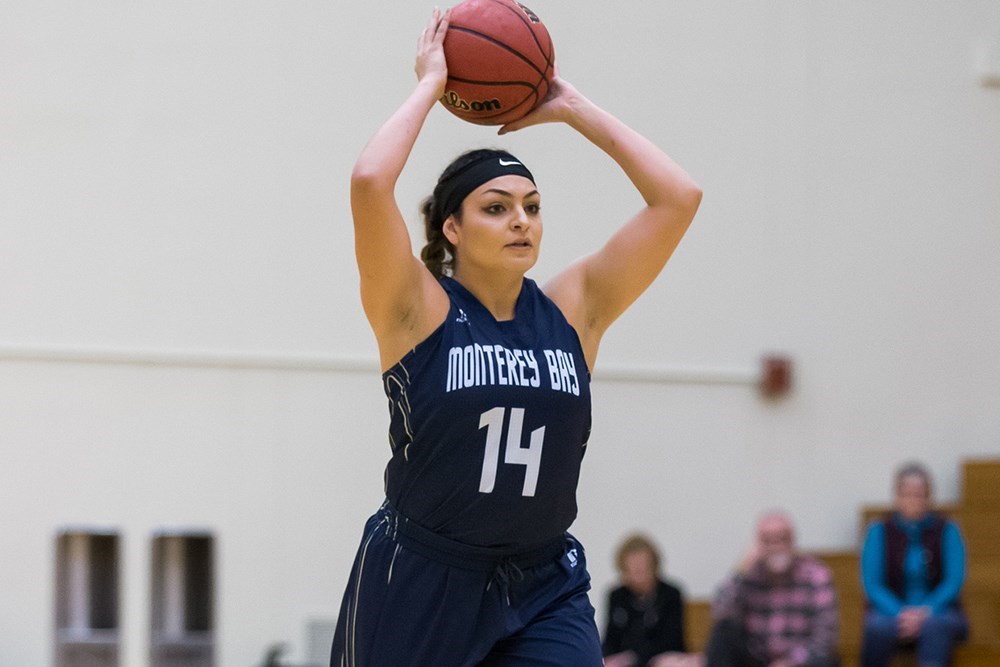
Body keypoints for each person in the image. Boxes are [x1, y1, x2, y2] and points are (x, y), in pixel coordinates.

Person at [329, 7, 702, 667]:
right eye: (496, 207)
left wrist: (571, 104)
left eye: (531, 206)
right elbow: (368, 183)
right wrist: (429, 85)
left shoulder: (574, 308)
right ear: (451, 227)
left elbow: (679, 196)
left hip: (542, 579)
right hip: (423, 575)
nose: (520, 220)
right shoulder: (416, 307)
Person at [860, 462, 968, 667]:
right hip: (890, 612)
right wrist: (901, 613)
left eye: (919, 494)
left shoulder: (948, 530)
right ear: (896, 497)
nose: (913, 500)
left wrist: (926, 612)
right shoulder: (878, 531)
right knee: (876, 627)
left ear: (929, 497)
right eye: (907, 494)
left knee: (935, 626)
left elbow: (953, 581)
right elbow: (872, 584)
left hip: (939, 610)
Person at [706, 511, 839, 667]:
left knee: (824, 660)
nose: (776, 545)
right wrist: (742, 566)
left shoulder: (815, 575)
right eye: (768, 540)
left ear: (792, 540)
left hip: (801, 660)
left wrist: (791, 661)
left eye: (782, 538)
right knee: (723, 633)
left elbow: (825, 636)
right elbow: (720, 611)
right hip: (756, 658)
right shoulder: (749, 574)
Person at [603, 534, 688, 667]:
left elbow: (673, 641)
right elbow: (610, 640)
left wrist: (636, 657)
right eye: (633, 570)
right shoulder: (617, 596)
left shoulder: (670, 595)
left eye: (643, 569)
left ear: (654, 566)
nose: (639, 577)